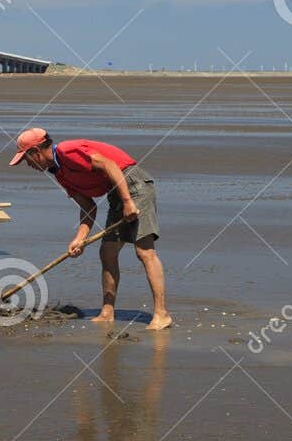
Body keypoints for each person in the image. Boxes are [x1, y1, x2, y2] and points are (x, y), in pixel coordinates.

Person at [11, 128, 172, 330]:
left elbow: (110, 165)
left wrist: (128, 201)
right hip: (118, 194)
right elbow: (88, 207)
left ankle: (162, 314)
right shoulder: (60, 174)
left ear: (36, 152)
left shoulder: (67, 151)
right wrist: (80, 239)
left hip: (134, 184)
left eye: (26, 159)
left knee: (144, 251)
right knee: (107, 252)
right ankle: (107, 312)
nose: (28, 164)